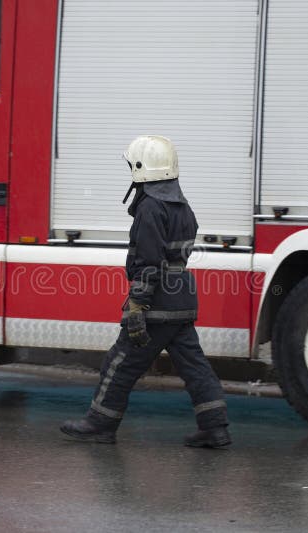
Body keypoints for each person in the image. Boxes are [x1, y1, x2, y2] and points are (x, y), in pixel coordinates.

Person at [60, 135, 231, 448]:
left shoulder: (151, 208)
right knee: (195, 367)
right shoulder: (183, 207)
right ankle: (215, 427)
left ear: (142, 168)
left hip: (157, 305)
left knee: (121, 362)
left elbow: (149, 262)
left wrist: (138, 305)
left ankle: (100, 424)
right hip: (181, 299)